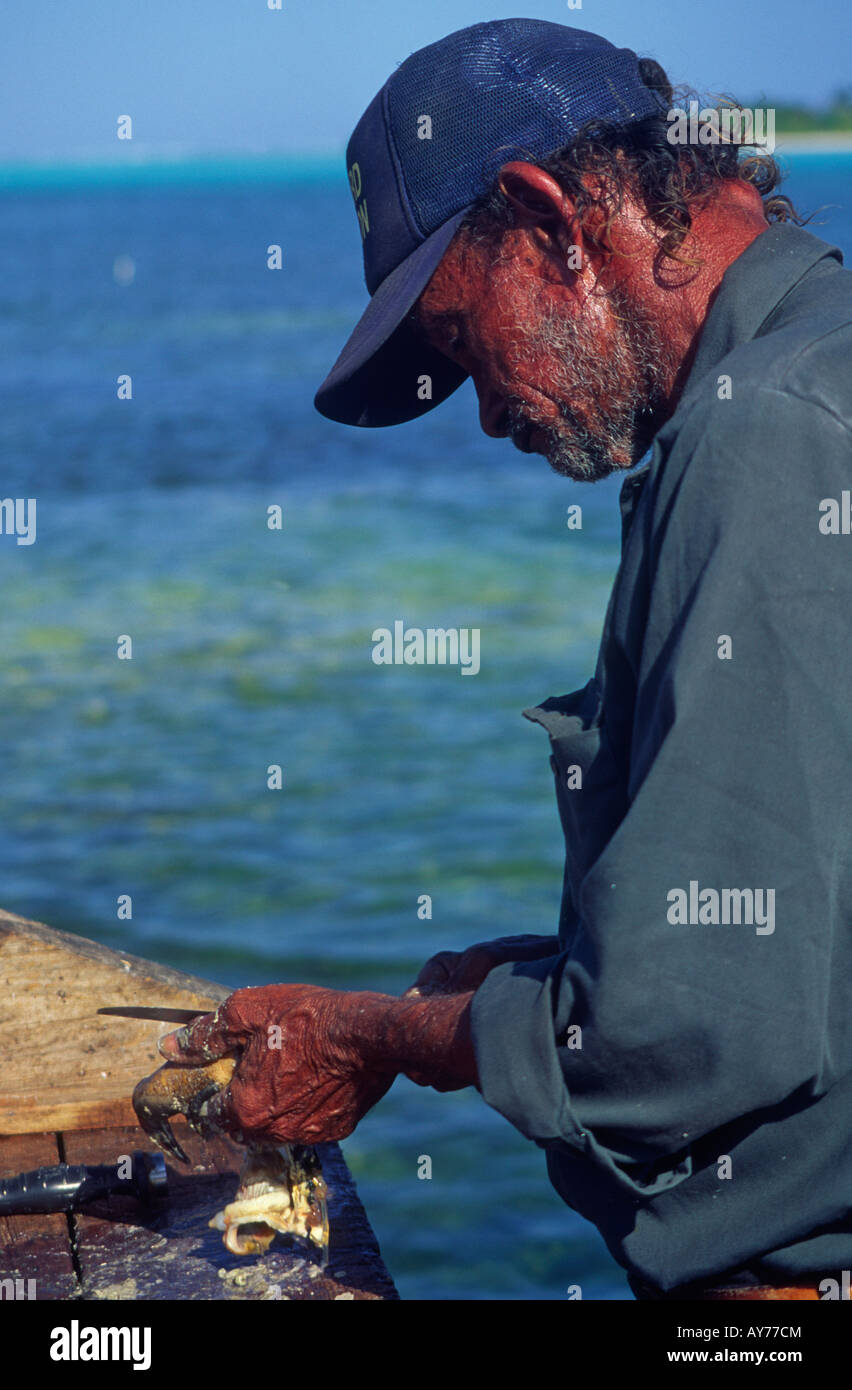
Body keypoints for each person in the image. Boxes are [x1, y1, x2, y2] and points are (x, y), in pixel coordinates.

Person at [160, 20, 852, 1299]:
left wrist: (379, 1035)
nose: (484, 412)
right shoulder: (816, 371)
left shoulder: (762, 443)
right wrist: (551, 971)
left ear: (551, 223)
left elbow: (686, 1036)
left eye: (466, 343)